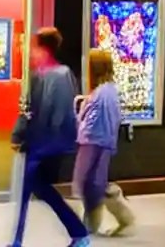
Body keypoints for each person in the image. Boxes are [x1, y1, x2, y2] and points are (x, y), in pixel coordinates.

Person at [11, 27, 91, 247]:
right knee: (30, 189)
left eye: (34, 46)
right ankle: (17, 240)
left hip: (46, 144)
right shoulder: (41, 74)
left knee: (36, 187)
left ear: (43, 48)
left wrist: (26, 137)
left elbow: (52, 114)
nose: (31, 51)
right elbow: (30, 109)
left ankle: (79, 232)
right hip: (41, 142)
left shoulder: (57, 75)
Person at [75, 49, 135, 237]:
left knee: (88, 183)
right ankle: (108, 218)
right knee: (95, 183)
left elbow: (89, 126)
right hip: (103, 143)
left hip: (93, 143)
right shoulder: (109, 91)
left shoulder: (100, 94)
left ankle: (95, 223)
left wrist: (79, 119)